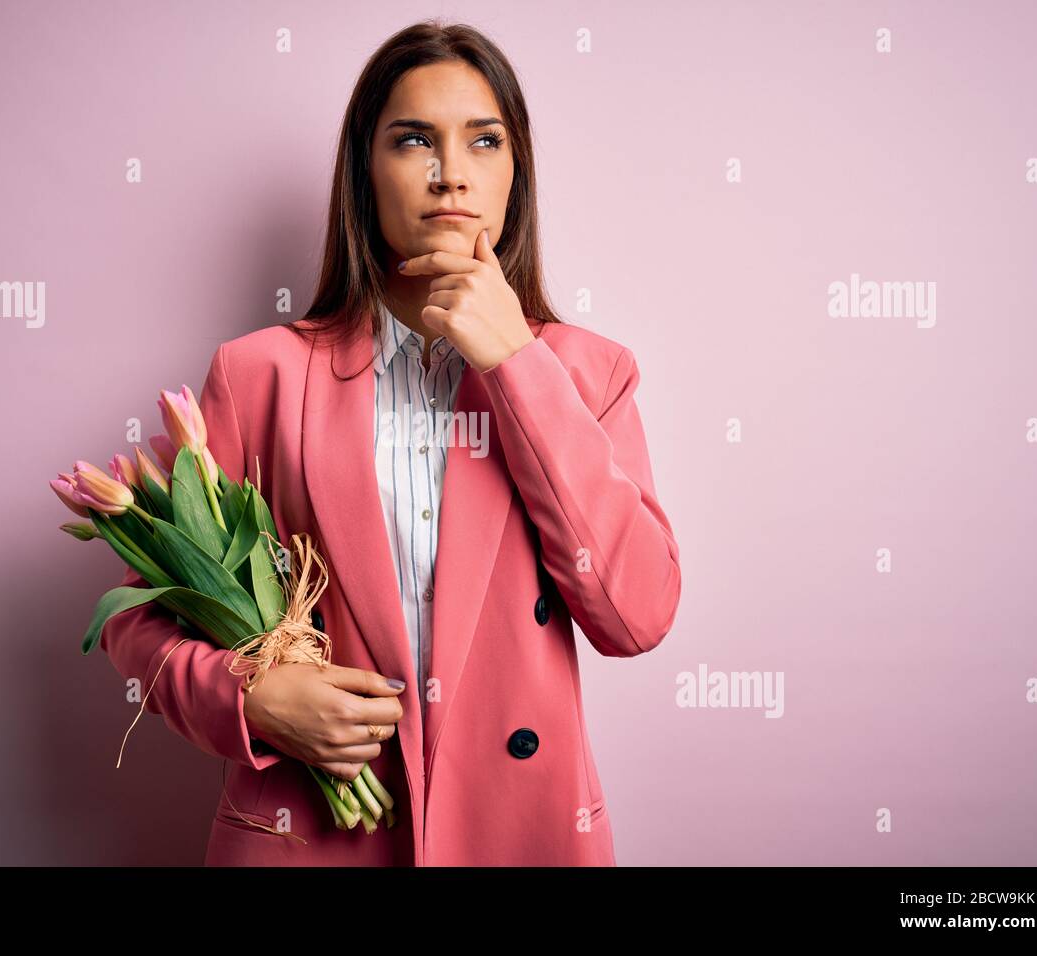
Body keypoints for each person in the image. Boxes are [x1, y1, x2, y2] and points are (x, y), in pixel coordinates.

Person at [99, 20, 682, 866]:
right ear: (365, 173)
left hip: (521, 835)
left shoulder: (589, 373)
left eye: (485, 140)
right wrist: (254, 700)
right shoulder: (257, 373)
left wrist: (516, 360)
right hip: (315, 834)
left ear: (515, 173)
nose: (452, 173)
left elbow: (637, 614)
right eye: (414, 140)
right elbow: (139, 626)